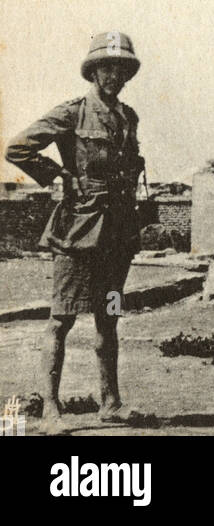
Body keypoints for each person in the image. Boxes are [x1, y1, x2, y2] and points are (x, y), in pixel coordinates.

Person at [5, 32, 144, 431]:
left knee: (110, 317)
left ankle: (111, 402)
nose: (114, 75)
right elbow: (17, 148)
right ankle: (51, 408)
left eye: (121, 68)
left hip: (118, 238)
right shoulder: (73, 113)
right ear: (93, 70)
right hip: (78, 233)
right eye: (107, 67)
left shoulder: (127, 117)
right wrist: (58, 175)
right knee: (61, 319)